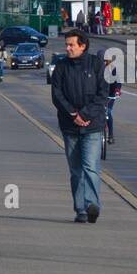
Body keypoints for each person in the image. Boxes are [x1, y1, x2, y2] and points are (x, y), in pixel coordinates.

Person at [50, 28, 108, 223]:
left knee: (90, 166)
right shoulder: (61, 66)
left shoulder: (96, 64)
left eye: (71, 45)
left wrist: (85, 114)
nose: (67, 48)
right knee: (76, 171)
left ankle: (92, 204)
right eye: (67, 44)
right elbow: (56, 94)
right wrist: (73, 114)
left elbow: (102, 94)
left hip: (92, 125)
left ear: (83, 46)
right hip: (69, 125)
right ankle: (80, 209)